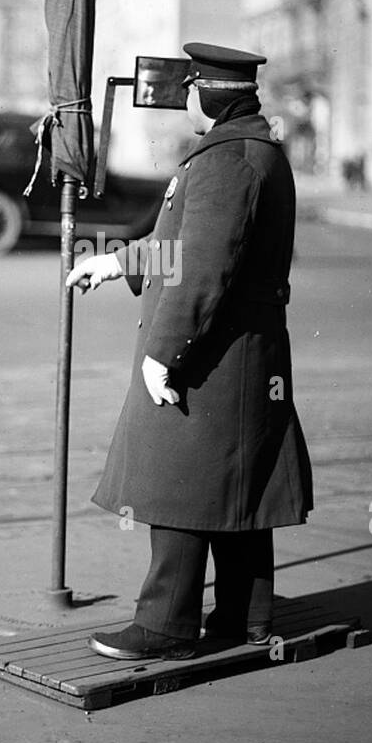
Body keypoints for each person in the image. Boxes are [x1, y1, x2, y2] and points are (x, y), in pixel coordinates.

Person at [66, 42, 314, 660]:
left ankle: (165, 626)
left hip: (210, 356)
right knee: (236, 485)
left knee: (177, 482)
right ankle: (245, 617)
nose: (184, 104)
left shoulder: (228, 161)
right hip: (240, 355)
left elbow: (203, 268)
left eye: (191, 91)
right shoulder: (249, 152)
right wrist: (116, 262)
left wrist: (163, 353)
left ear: (209, 94)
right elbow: (180, 245)